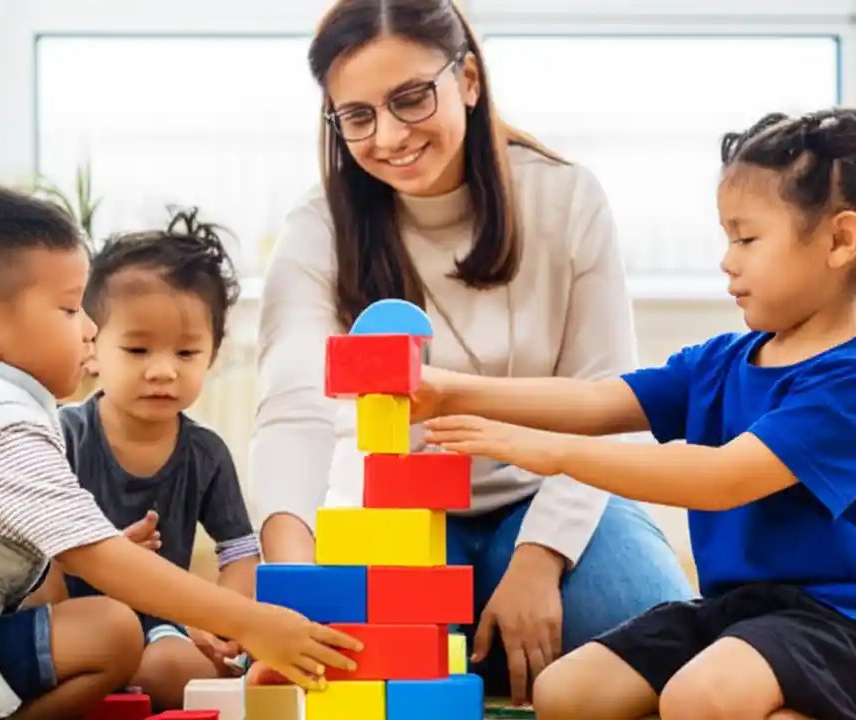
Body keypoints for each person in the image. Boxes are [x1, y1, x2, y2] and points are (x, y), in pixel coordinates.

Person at [416, 108, 856, 720]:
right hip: (743, 614)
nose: (728, 261)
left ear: (840, 240)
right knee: (567, 693)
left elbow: (720, 479)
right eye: (727, 238)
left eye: (747, 238)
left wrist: (546, 452)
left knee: (699, 699)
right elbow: (599, 400)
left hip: (854, 627)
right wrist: (452, 391)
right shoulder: (723, 361)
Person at [0, 184, 360, 720]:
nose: (89, 331)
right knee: (114, 629)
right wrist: (252, 622)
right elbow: (100, 558)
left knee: (109, 629)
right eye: (72, 309)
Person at [251, 0, 692, 704]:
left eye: (410, 97)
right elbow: (293, 416)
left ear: (470, 80)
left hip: (545, 492)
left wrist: (538, 562)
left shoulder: (565, 198)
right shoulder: (316, 230)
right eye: (357, 115)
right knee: (365, 677)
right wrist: (296, 587)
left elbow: (607, 396)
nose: (389, 135)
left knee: (659, 651)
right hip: (394, 515)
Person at [48, 208, 259, 711]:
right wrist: (107, 557)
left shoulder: (205, 452)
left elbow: (239, 551)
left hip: (163, 623)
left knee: (177, 670)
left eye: (186, 354)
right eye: (138, 350)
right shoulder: (62, 435)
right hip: (68, 620)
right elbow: (28, 557)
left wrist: (220, 620)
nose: (163, 371)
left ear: (212, 355)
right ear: (92, 347)